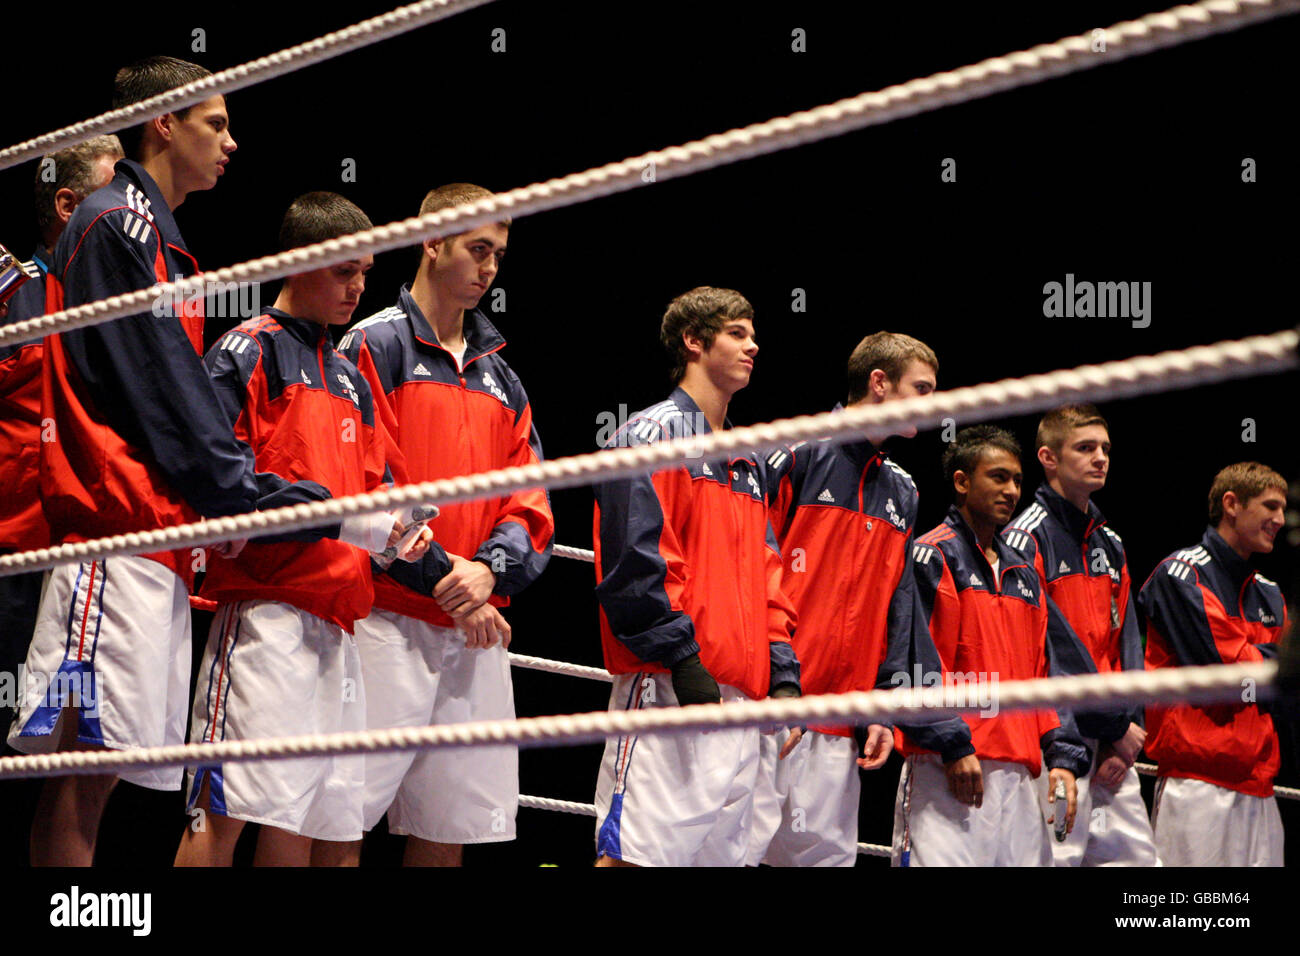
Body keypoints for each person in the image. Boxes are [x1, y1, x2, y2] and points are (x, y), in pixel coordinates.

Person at [7, 56, 259, 867]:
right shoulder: (119, 221)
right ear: (164, 123)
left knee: (99, 774)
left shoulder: (159, 237)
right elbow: (163, 390)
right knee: (81, 772)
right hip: (117, 526)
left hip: (150, 530)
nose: (230, 141)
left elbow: (174, 389)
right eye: (215, 123)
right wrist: (238, 492)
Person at [174, 192, 433, 867]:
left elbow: (382, 488)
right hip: (268, 613)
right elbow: (214, 482)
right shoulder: (243, 349)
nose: (357, 288)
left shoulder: (350, 376)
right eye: (344, 271)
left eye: (365, 273)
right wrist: (327, 513)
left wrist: (410, 533)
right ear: (299, 262)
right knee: (224, 813)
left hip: (341, 621)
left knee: (304, 820)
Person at [326, 183, 553, 867]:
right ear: (433, 242)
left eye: (499, 255)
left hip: (474, 625)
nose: (488, 268)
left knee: (450, 825)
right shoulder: (371, 345)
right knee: (340, 816)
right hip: (384, 617)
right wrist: (447, 575)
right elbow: (366, 481)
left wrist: (487, 571)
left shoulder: (503, 377)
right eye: (477, 249)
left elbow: (532, 500)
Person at [746, 331, 974, 867]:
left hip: (843, 724)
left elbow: (899, 610)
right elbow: (753, 572)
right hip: (771, 707)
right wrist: (779, 682)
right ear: (878, 383)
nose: (932, 402)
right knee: (728, 856)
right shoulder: (793, 454)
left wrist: (883, 707)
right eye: (922, 388)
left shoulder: (904, 491)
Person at [592, 286, 801, 868]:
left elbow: (768, 576)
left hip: (743, 699)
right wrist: (683, 659)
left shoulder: (747, 458)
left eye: (753, 334)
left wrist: (783, 674)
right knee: (634, 856)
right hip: (670, 688)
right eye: (737, 332)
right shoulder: (647, 437)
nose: (753, 345)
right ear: (693, 342)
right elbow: (638, 563)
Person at [893, 425, 1086, 866]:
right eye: (998, 477)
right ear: (962, 481)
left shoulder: (1025, 572)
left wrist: (1063, 755)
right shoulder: (931, 555)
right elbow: (915, 658)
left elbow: (1044, 673)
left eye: (1017, 480)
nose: (1011, 490)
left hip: (1019, 774)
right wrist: (951, 742)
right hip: (949, 767)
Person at [0, 136, 123, 745]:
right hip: (12, 556)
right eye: (113, 193)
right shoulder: (8, 287)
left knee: (59, 755)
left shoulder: (128, 305)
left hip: (91, 562)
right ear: (68, 206)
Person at [1001, 404, 1158, 865]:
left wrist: (1128, 731)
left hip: (1113, 745)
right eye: (1085, 448)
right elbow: (1049, 646)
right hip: (1057, 741)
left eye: (1105, 448)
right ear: (1048, 457)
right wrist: (1112, 725)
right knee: (1057, 860)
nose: (1101, 458)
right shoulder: (1022, 538)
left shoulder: (1110, 541)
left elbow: (1128, 640)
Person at [1137, 461, 1288, 866]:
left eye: (1284, 508)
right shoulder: (1181, 576)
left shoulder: (1270, 594)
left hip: (1260, 787)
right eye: (1270, 506)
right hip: (1197, 785)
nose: (1280, 519)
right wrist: (1275, 665)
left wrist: (1270, 668)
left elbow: (1285, 684)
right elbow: (1232, 672)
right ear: (1232, 504)